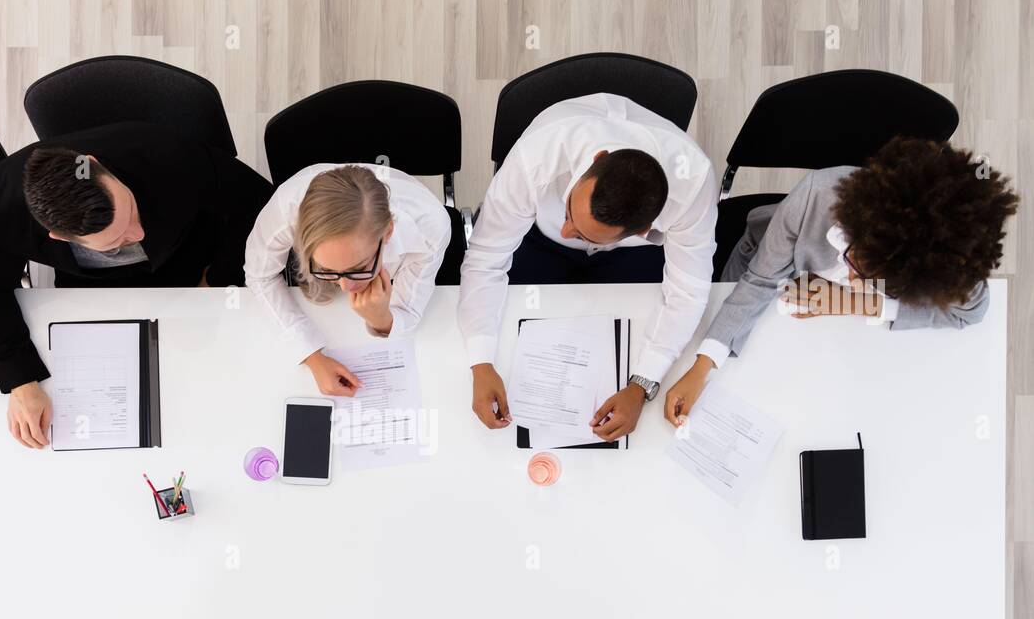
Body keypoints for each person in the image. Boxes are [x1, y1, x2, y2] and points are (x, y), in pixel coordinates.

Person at [662, 137, 1020, 425]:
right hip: (769, 267)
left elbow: (973, 311)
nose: (852, 278)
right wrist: (702, 366)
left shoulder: (944, 266)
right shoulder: (817, 195)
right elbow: (758, 281)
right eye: (855, 262)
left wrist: (857, 302)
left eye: (873, 279)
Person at [0, 122, 273, 447]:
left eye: (130, 211)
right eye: (116, 240)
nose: (138, 234)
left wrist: (216, 279)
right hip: (91, 289)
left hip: (185, 264)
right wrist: (20, 379)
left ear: (96, 164)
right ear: (58, 236)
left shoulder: (171, 154)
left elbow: (260, 206)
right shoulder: (0, 205)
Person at [457, 92, 717, 438]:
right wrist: (481, 361)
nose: (567, 230)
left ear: (642, 230)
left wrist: (642, 383)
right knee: (512, 335)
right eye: (569, 210)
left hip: (630, 257)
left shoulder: (694, 182)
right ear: (597, 158)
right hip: (535, 239)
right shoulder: (537, 155)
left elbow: (688, 292)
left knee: (631, 335)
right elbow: (486, 257)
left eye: (580, 232)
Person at [244, 163, 452, 396]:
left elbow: (409, 312)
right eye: (326, 268)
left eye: (359, 268)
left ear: (388, 233)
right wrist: (312, 356)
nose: (346, 287)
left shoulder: (431, 227)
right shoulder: (286, 208)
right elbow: (258, 275)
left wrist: (381, 319)